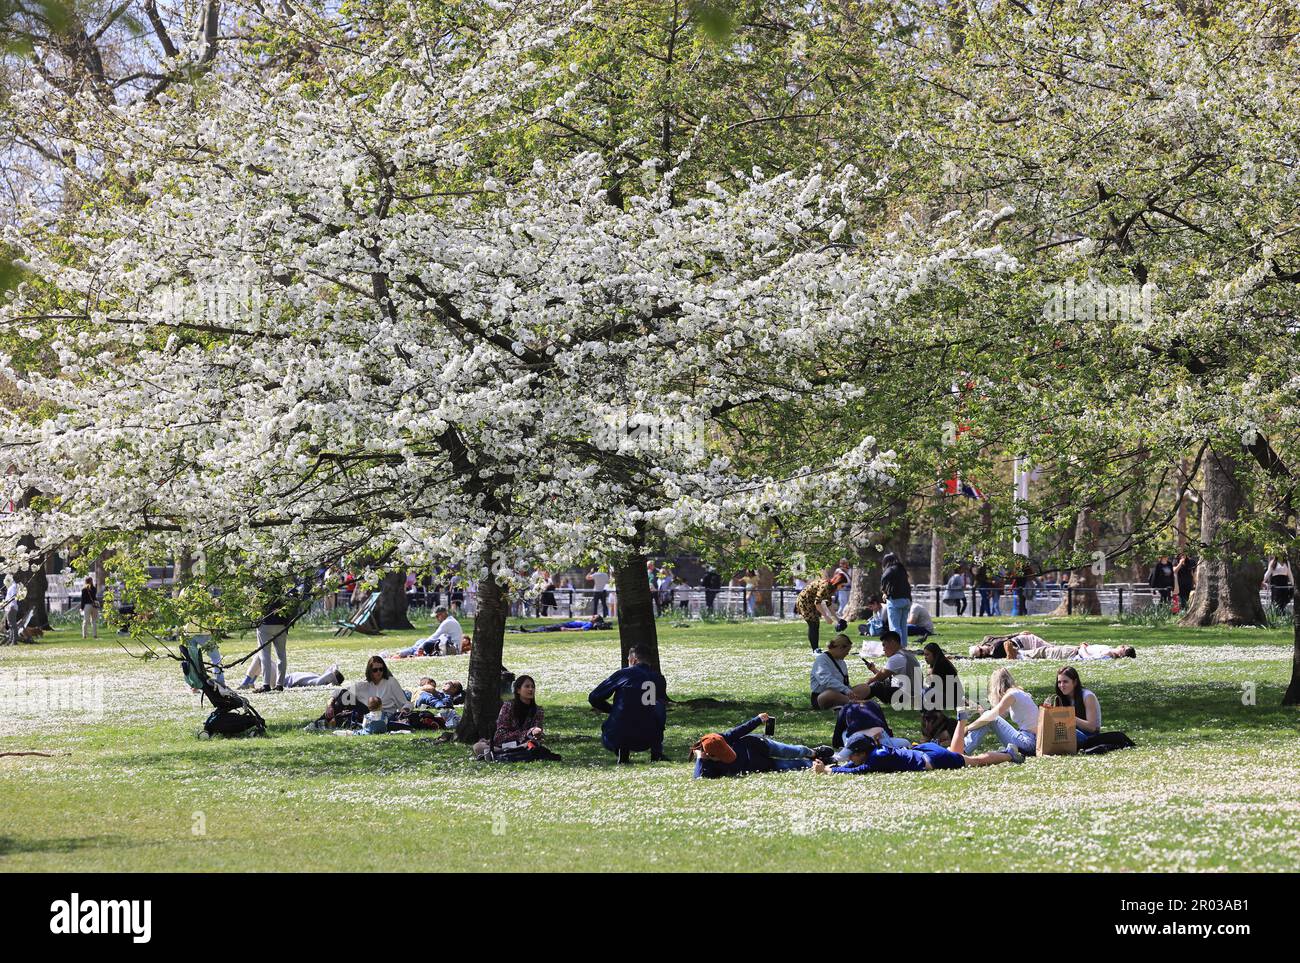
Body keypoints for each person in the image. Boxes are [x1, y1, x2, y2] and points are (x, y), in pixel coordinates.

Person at [810, 717, 1025, 776]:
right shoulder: (874, 754)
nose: (850, 759)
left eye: (852, 756)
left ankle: (1008, 755)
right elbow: (853, 766)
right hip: (924, 752)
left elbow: (858, 770)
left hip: (932, 759)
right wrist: (829, 768)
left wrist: (829, 770)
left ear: (862, 752)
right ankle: (961, 720)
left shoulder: (877, 757)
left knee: (974, 761)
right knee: (957, 752)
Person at [588, 644, 667, 763]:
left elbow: (594, 697)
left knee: (624, 717)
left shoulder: (624, 674)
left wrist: (611, 709)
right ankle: (656, 751)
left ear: (633, 660)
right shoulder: (659, 679)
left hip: (617, 736)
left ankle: (622, 750)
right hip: (647, 738)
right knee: (658, 707)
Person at [691, 713, 829, 778]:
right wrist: (699, 758)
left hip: (760, 745)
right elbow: (698, 778)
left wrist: (757, 720)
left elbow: (740, 730)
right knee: (794, 765)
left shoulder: (720, 738)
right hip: (762, 765)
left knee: (794, 751)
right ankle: (818, 763)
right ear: (709, 756)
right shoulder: (707, 766)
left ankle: (814, 753)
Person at [958, 667, 1038, 755]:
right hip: (1032, 742)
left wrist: (967, 728)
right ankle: (963, 748)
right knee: (988, 717)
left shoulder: (1011, 695)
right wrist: (979, 710)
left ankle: (963, 749)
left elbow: (992, 717)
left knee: (990, 716)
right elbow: (996, 720)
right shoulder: (1017, 694)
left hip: (1028, 743)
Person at [810, 634, 875, 708]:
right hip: (822, 696)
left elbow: (845, 683)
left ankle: (848, 702)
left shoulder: (842, 662)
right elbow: (826, 681)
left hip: (841, 694)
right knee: (829, 694)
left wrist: (849, 691)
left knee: (865, 687)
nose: (847, 654)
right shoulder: (821, 659)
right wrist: (846, 690)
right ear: (840, 648)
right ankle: (854, 702)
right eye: (847, 651)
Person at [863, 630, 922, 708]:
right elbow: (885, 677)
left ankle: (852, 699)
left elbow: (877, 678)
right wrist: (874, 670)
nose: (883, 649)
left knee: (875, 686)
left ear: (893, 643)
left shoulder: (897, 658)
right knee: (882, 683)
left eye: (884, 645)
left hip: (906, 697)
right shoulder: (907, 654)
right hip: (914, 693)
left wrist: (860, 688)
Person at [253, 582, 294, 692]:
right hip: (281, 623)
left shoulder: (262, 586)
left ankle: (266, 684)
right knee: (281, 654)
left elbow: (256, 605)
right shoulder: (284, 586)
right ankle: (279, 684)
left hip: (266, 623)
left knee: (264, 654)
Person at [795, 567, 843, 652]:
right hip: (805, 601)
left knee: (815, 623)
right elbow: (817, 603)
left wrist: (837, 619)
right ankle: (815, 649)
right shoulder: (826, 586)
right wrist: (826, 617)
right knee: (813, 623)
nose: (842, 587)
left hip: (810, 601)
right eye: (842, 585)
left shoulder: (831, 587)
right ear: (838, 582)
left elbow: (829, 604)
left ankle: (815, 649)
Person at [1053, 665, 1102, 747]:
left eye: (1065, 682)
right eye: (1059, 682)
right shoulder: (1062, 698)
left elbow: (1092, 727)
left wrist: (1070, 717)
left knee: (1060, 732)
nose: (1061, 685)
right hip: (1073, 731)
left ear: (1075, 682)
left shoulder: (1087, 696)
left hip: (1089, 736)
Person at [493, 675, 545, 749]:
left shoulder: (538, 711)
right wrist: (526, 733)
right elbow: (499, 736)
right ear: (518, 690)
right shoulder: (508, 706)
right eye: (527, 686)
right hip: (505, 745)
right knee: (479, 747)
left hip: (526, 744)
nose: (531, 689)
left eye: (533, 687)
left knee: (532, 745)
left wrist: (536, 734)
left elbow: (537, 735)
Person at [393, 606, 463, 657]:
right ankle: (405, 652)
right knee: (421, 641)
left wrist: (420, 647)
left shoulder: (447, 622)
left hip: (450, 649)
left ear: (443, 614)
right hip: (450, 646)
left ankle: (401, 653)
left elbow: (434, 636)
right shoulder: (451, 620)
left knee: (422, 644)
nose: (436, 619)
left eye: (437, 616)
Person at [879, 552, 912, 649]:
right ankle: (903, 646)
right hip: (906, 600)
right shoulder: (901, 569)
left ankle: (896, 646)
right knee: (903, 626)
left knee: (894, 626)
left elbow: (884, 578)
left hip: (895, 600)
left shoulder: (890, 569)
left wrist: (884, 591)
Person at [239, 660, 343, 689]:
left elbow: (330, 674)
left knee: (261, 657)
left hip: (280, 681)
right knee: (262, 656)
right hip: (283, 676)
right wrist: (335, 669)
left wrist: (334, 676)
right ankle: (250, 683)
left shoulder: (318, 682)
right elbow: (332, 668)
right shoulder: (318, 677)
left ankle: (246, 683)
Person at [921, 641, 964, 711]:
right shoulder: (939, 662)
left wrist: (929, 673)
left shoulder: (941, 665)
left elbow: (933, 686)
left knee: (924, 692)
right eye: (924, 655)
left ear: (934, 654)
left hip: (952, 699)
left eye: (927, 655)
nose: (925, 657)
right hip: (951, 696)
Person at [1007, 639, 1136, 661]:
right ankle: (1017, 653)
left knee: (1047, 652)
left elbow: (1087, 659)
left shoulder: (1109, 655)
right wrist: (1087, 646)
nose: (1122, 646)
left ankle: (1017, 654)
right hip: (1075, 650)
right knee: (1047, 651)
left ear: (1123, 653)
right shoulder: (1109, 651)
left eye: (1124, 648)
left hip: (1075, 652)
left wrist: (1083, 648)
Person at [519, 614, 609, 632]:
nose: (592, 616)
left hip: (565, 626)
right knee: (546, 627)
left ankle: (529, 631)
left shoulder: (589, 625)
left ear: (595, 621)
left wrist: (567, 629)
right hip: (564, 624)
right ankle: (529, 631)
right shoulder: (588, 622)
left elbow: (581, 629)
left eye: (594, 617)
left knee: (546, 628)